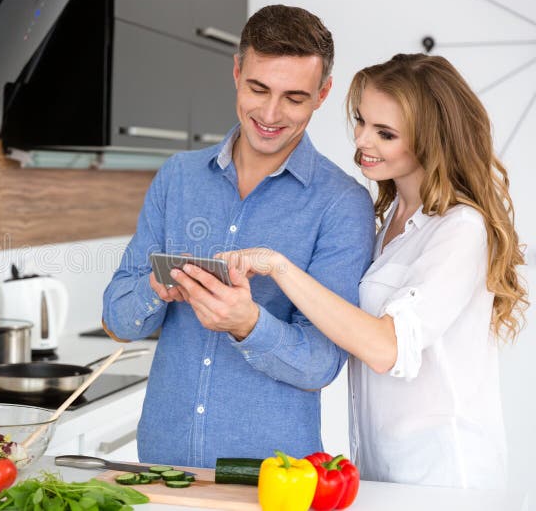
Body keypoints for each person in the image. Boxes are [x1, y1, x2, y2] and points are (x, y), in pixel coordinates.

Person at [197, 53, 528, 489]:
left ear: (432, 141)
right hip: (380, 469)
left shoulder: (460, 230)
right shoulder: (388, 218)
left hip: (446, 474)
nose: (362, 141)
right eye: (361, 121)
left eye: (385, 133)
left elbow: (386, 348)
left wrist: (279, 267)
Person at [101, 4, 376, 468]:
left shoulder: (342, 204)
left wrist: (248, 324)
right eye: (258, 88)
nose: (270, 113)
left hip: (271, 478)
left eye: (294, 97)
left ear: (323, 93)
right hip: (163, 468)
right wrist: (155, 291)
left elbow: (321, 364)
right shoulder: (178, 178)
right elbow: (117, 321)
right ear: (236, 71)